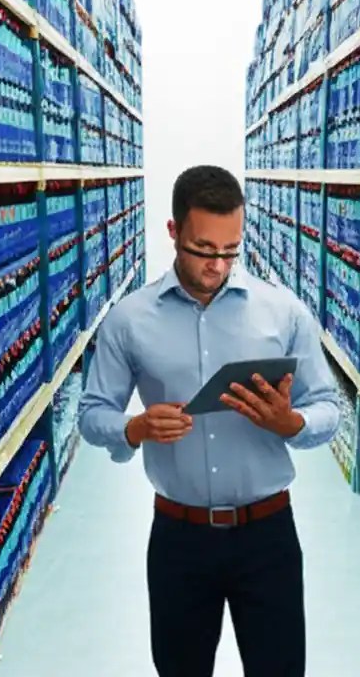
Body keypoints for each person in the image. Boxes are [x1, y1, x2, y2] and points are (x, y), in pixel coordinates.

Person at [78, 165, 342, 677]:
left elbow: (328, 407)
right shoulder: (129, 320)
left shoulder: (282, 312)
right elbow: (92, 415)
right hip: (180, 538)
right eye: (203, 250)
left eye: (230, 250)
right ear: (174, 231)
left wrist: (291, 424)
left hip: (267, 535)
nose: (218, 265)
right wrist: (135, 428)